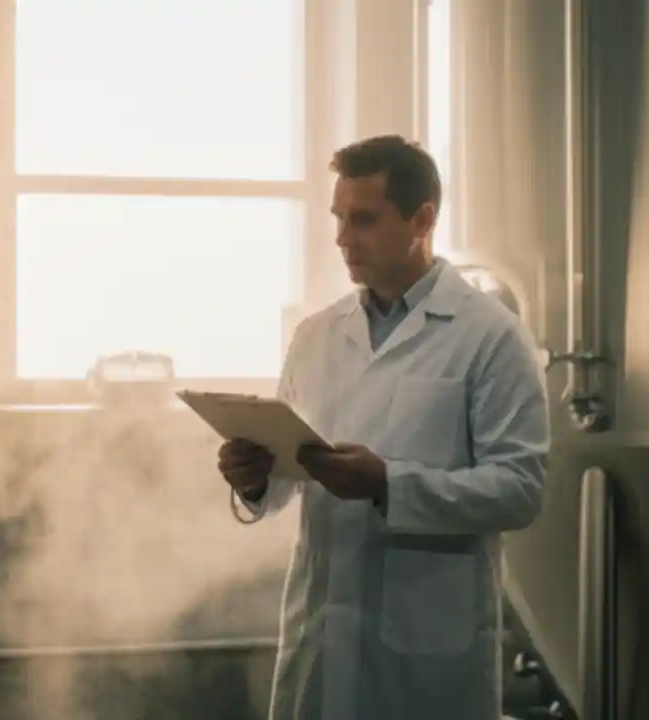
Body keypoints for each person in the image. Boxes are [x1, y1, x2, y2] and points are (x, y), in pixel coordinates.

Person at [217, 135, 550, 720]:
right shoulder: (316, 336)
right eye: (339, 218)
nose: (343, 238)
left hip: (426, 659)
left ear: (422, 220)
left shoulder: (491, 337)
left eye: (364, 219)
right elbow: (290, 473)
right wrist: (255, 478)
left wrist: (388, 485)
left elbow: (519, 490)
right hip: (322, 636)